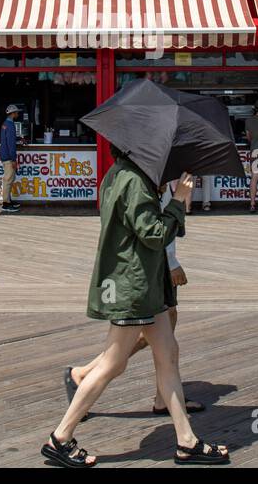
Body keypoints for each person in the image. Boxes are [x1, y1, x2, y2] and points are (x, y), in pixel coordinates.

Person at [42, 150, 228, 467]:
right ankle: (60, 437)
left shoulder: (118, 174)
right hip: (135, 285)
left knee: (167, 354)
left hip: (145, 285)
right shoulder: (135, 182)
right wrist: (178, 201)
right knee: (113, 363)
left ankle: (187, 441)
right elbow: (154, 235)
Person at [65, 178, 206, 418]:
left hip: (149, 272)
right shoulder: (143, 180)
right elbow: (153, 230)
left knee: (165, 344)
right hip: (144, 275)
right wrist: (172, 262)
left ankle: (169, 406)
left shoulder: (130, 176)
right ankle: (67, 419)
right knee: (123, 354)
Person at [0, 104, 22, 213]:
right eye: (16, 112)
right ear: (13, 114)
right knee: (8, 180)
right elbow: (11, 144)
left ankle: (8, 200)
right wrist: (13, 159)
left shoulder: (5, 124)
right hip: (8, 156)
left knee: (9, 179)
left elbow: (9, 139)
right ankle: (6, 204)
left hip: (4, 154)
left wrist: (18, 138)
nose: (18, 114)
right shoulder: (11, 125)